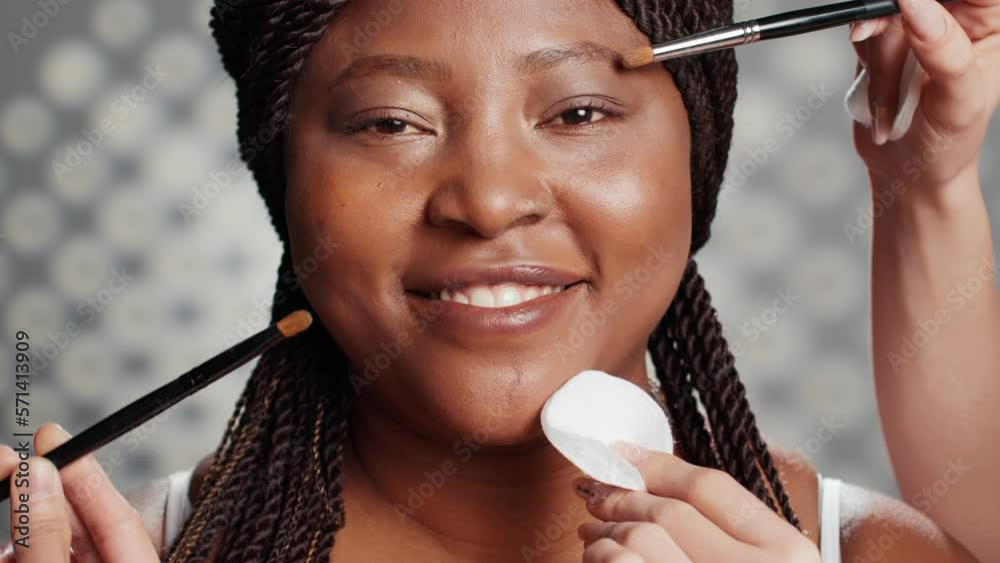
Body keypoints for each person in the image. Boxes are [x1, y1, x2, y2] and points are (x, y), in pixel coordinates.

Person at [2, 0, 998, 561]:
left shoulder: (871, 558)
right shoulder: (114, 550)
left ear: (699, 154)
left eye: (576, 114)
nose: (486, 199)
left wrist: (927, 187)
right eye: (391, 122)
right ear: (283, 174)